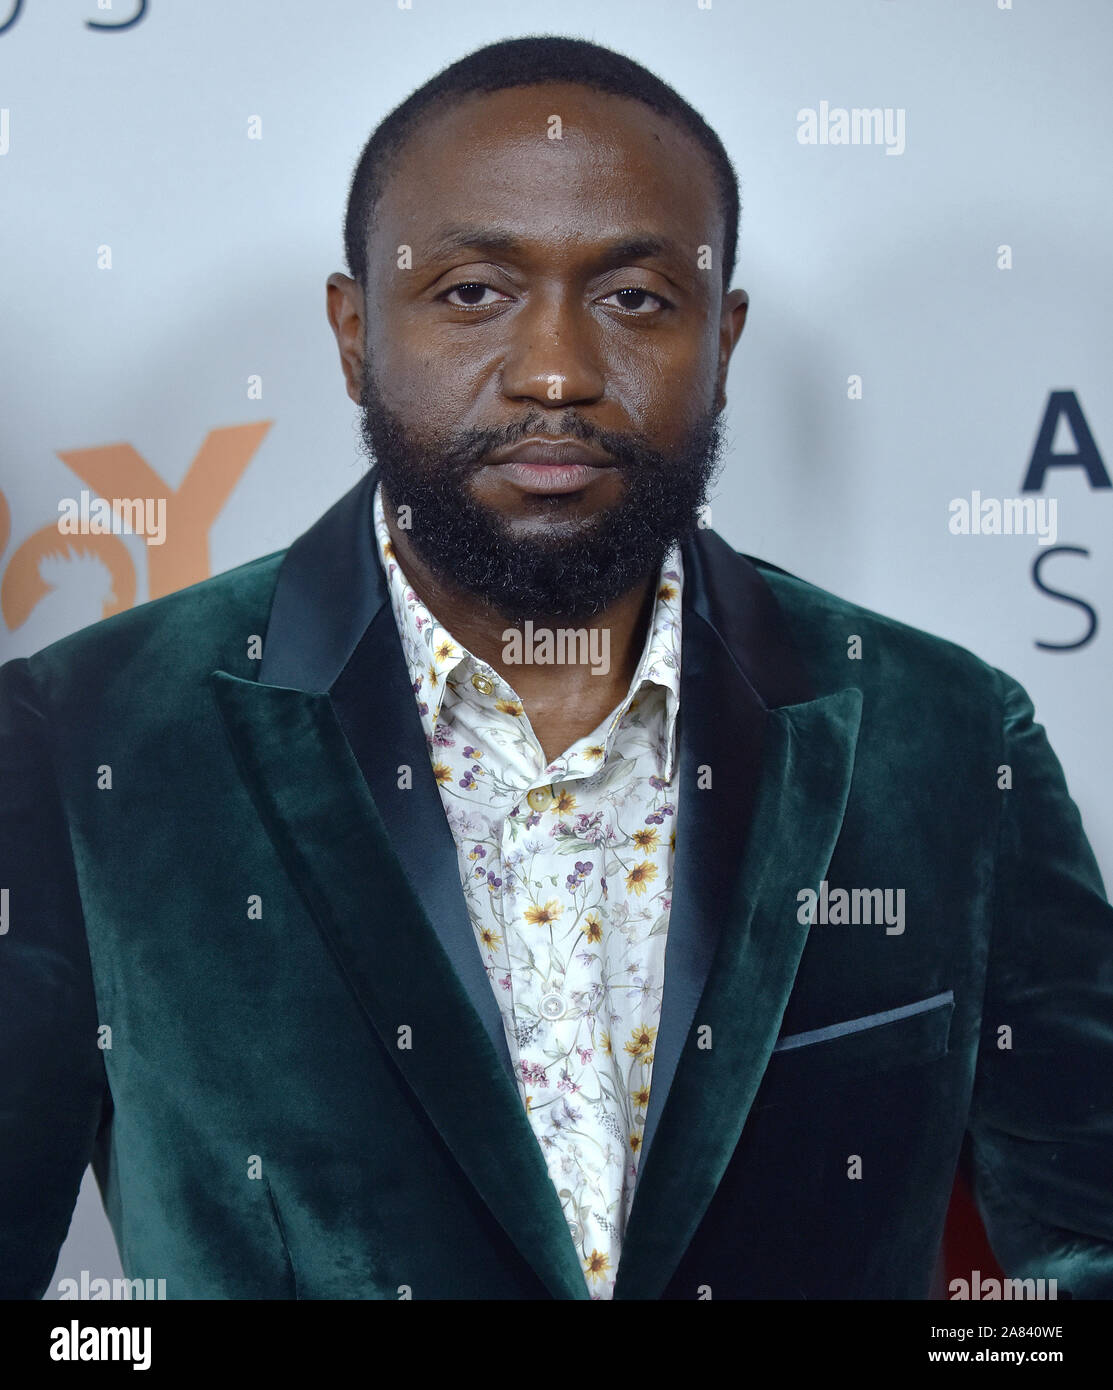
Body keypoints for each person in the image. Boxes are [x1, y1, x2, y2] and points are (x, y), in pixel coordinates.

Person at [2, 35, 1111, 1302]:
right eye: (473, 291)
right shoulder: (86, 739)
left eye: (635, 298)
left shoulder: (949, 734)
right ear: (354, 333)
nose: (557, 372)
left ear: (722, 339)